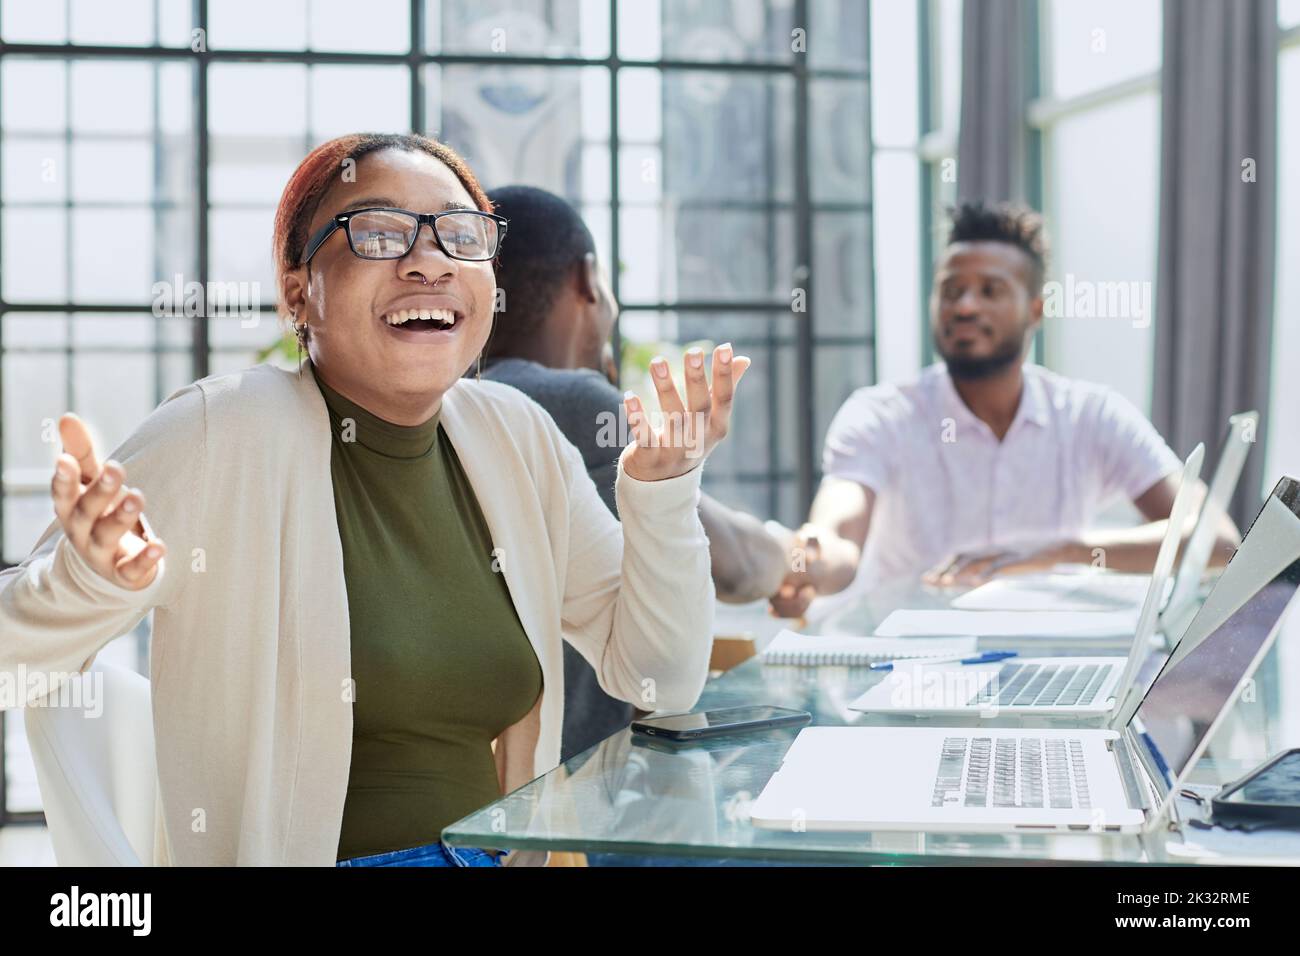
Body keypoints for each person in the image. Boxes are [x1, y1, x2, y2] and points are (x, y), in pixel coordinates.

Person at [0, 133, 751, 867]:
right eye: (380, 233)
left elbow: (656, 675)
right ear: (300, 292)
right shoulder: (221, 429)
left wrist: (659, 488)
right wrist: (86, 584)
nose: (428, 262)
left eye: (461, 235)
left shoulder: (516, 438)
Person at [771, 200, 1240, 619]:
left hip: (1044, 656)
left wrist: (1064, 551)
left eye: (990, 290)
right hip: (902, 663)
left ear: (1034, 310)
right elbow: (838, 534)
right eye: (951, 290)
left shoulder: (1091, 415)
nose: (965, 306)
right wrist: (807, 563)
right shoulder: (879, 414)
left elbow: (1218, 541)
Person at [480, 185, 787, 761]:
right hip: (572, 800)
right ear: (587, 279)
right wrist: (793, 559)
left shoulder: (461, 401)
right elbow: (741, 568)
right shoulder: (569, 400)